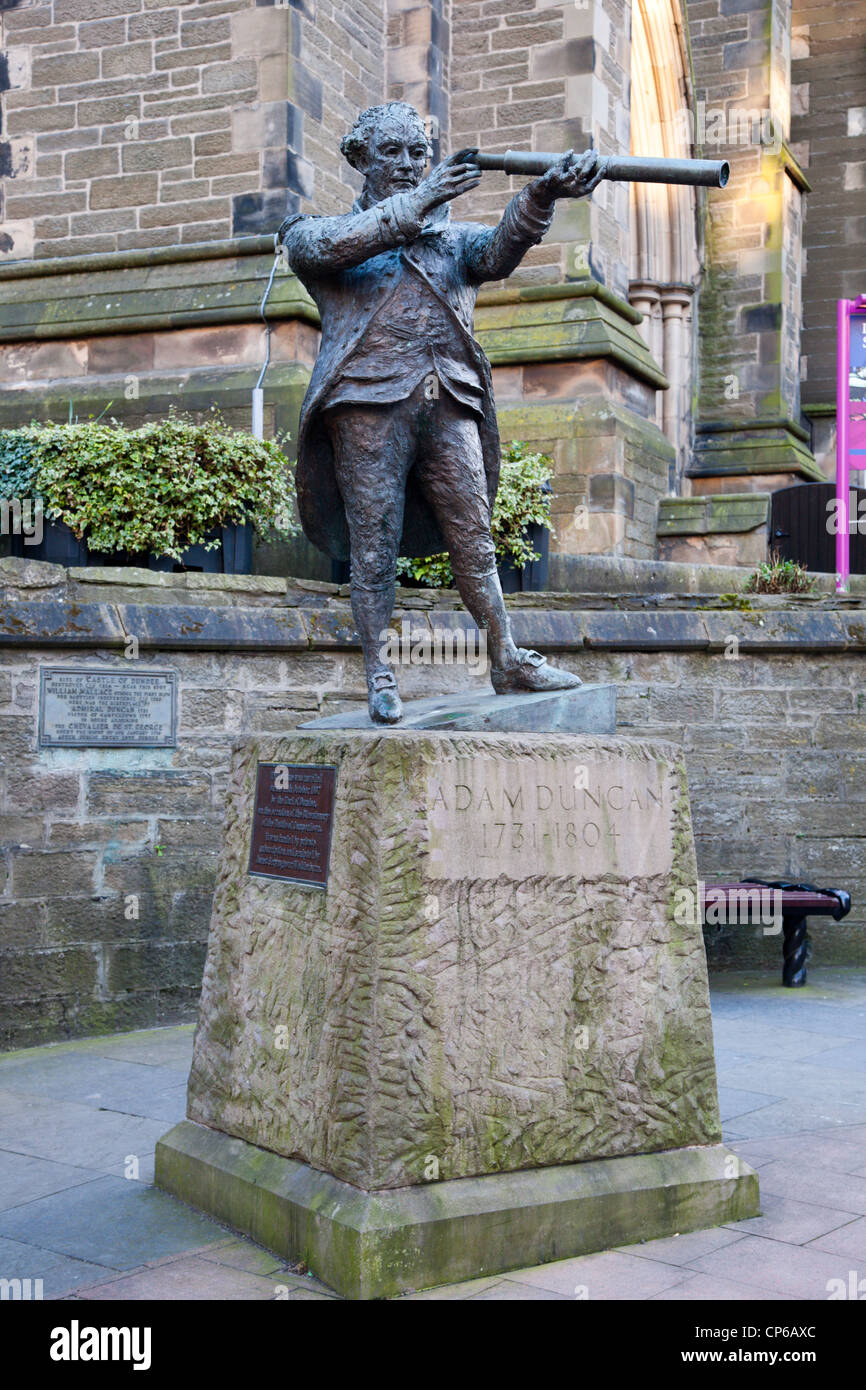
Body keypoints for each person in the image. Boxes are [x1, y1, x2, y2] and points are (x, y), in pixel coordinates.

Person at [280, 101, 604, 724]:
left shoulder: (453, 241)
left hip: (450, 403)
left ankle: (506, 657)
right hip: (366, 407)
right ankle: (379, 670)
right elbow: (344, 242)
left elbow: (498, 253)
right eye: (392, 153)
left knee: (475, 542)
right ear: (360, 160)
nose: (407, 164)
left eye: (417, 153)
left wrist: (541, 194)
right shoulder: (313, 234)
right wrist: (422, 200)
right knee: (373, 548)